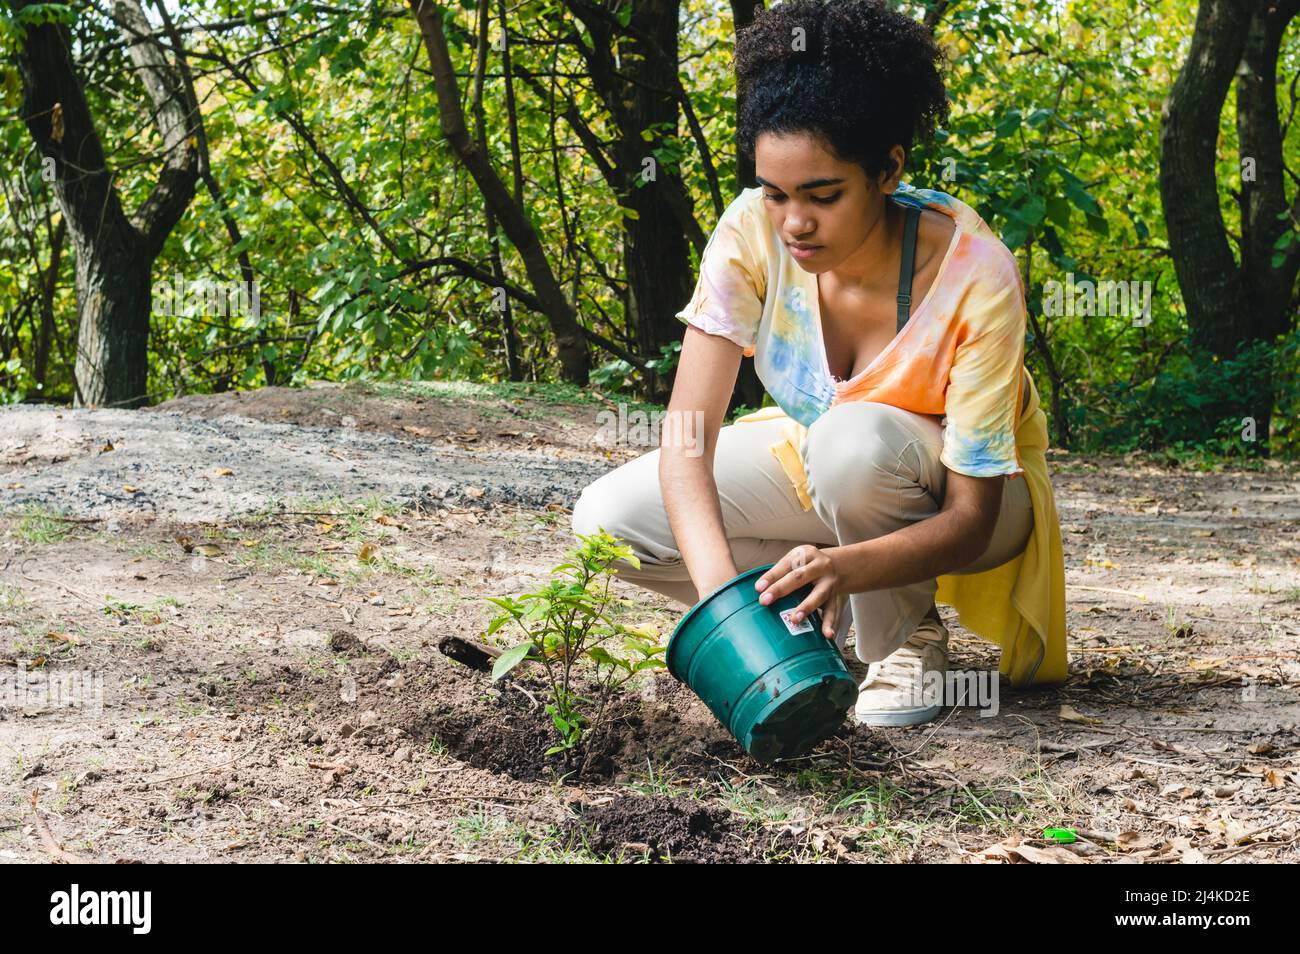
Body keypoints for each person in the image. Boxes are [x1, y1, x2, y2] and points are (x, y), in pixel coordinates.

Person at [572, 0, 1067, 727]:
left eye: (822, 195)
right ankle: (807, 628)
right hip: (819, 464)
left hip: (981, 503)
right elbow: (686, 443)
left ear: (889, 168)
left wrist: (846, 567)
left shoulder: (974, 273)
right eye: (775, 193)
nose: (793, 222)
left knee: (853, 442)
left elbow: (969, 518)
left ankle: (904, 640)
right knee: (607, 523)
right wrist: (733, 622)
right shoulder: (750, 231)